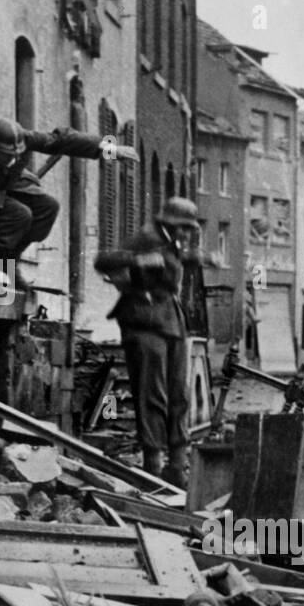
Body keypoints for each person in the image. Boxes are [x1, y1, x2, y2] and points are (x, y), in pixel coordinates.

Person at [94, 196, 205, 487]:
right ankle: (153, 465)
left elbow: (170, 262)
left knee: (178, 393)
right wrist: (136, 260)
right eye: (182, 227)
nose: (186, 233)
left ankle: (178, 464)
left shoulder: (172, 243)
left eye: (189, 228)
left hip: (170, 321)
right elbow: (102, 260)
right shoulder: (146, 237)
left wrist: (197, 258)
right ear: (167, 222)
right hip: (143, 322)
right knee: (152, 393)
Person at [0, 117, 110, 288]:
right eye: (8, 156)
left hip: (9, 185)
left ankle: (8, 262)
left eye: (17, 155)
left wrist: (108, 148)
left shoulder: (26, 139)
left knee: (48, 208)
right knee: (20, 214)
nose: (14, 161)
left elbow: (62, 140)